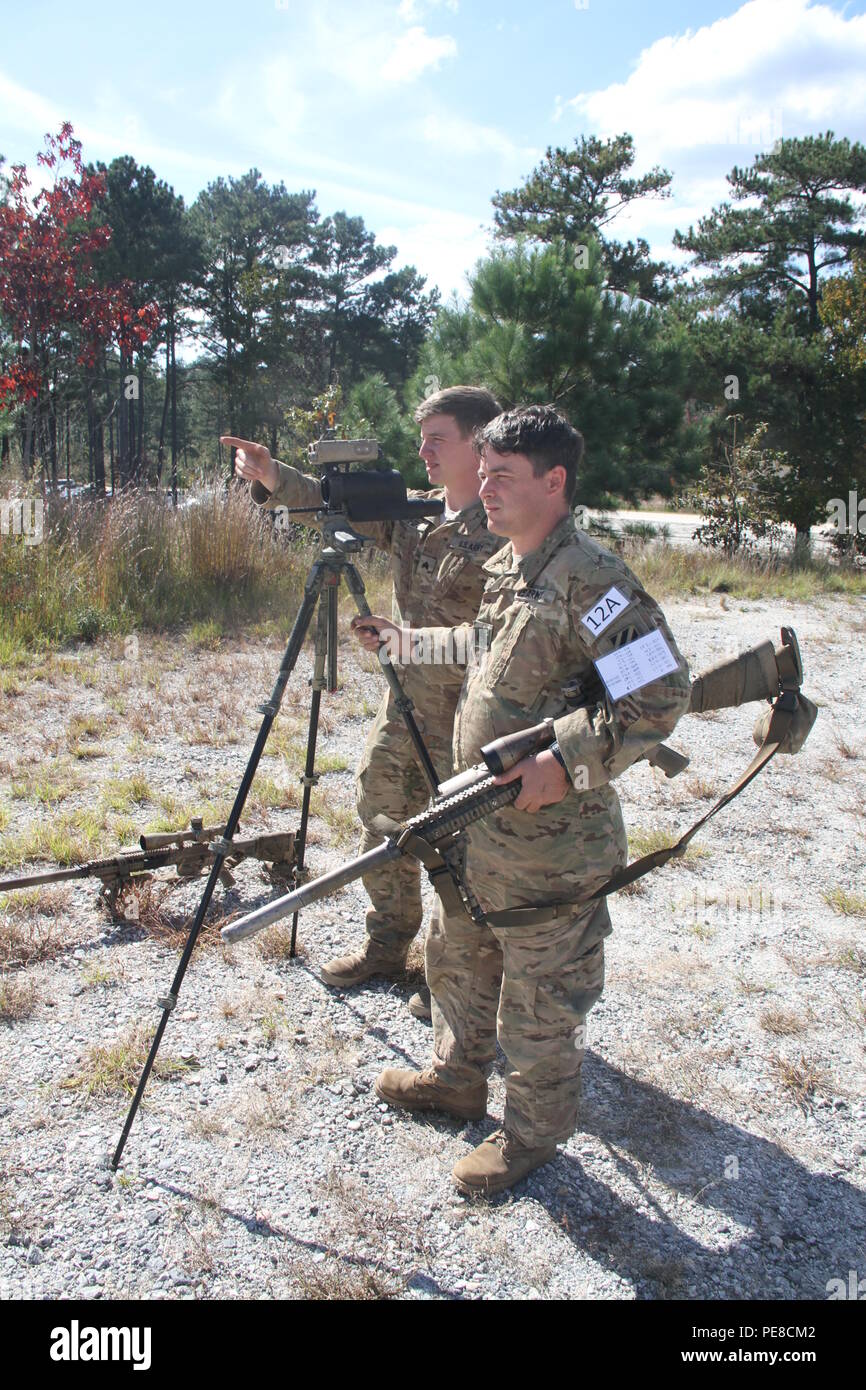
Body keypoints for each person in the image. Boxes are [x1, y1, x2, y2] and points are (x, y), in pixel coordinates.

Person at [351, 404, 691, 1194]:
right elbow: (485, 651)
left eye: (504, 476)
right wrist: (408, 644)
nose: (487, 487)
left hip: (551, 840)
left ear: (555, 481)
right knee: (457, 952)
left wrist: (567, 764)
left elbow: (660, 696)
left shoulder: (594, 578)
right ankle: (455, 1076)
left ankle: (531, 1136)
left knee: (541, 998)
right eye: (486, 472)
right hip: (479, 819)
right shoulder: (510, 565)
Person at [221, 386, 503, 1017]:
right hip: (406, 706)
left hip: (473, 718)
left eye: (439, 439)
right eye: (421, 437)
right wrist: (272, 475)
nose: (423, 450)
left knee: (461, 844)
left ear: (481, 443)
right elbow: (330, 500)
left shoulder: (506, 531)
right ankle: (388, 942)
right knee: (381, 810)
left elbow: (504, 641)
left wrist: (410, 644)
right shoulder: (412, 514)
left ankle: (454, 977)